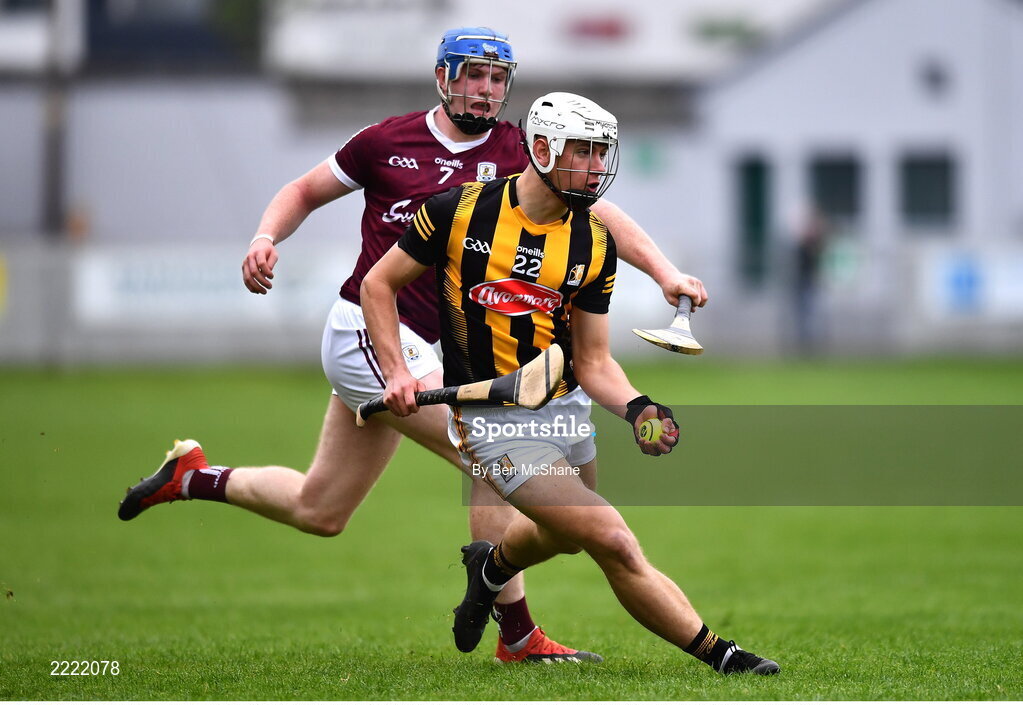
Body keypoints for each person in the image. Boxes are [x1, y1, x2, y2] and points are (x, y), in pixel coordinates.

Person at [117, 28, 707, 664]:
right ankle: (518, 635)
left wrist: (665, 271)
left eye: (497, 78)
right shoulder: (387, 141)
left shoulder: (522, 146)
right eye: (472, 75)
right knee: (495, 452)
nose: (485, 90)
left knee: (322, 508)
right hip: (371, 334)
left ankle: (192, 477)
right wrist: (266, 236)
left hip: (436, 350)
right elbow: (303, 191)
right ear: (442, 77)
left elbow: (601, 215)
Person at [361, 92, 779, 675]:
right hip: (493, 418)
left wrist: (638, 409)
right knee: (612, 538)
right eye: (582, 152)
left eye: (601, 153)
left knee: (563, 536)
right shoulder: (457, 211)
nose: (595, 166)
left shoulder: (593, 241)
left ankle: (491, 569)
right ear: (540, 148)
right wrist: (398, 369)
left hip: (565, 412)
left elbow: (594, 360)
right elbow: (376, 286)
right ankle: (723, 656)